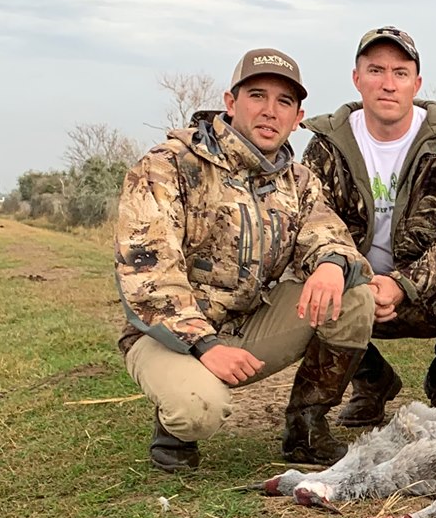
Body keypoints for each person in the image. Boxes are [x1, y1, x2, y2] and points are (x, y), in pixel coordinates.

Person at [114, 48, 369, 473]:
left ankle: (306, 428)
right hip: (169, 336)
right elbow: (149, 273)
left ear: (298, 116)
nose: (270, 111)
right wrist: (204, 344)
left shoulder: (299, 180)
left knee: (352, 294)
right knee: (198, 410)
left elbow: (328, 234)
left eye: (284, 101)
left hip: (248, 329)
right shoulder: (166, 166)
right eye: (257, 95)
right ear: (231, 103)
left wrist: (330, 264)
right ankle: (175, 429)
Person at [281, 26, 436, 462]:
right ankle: (363, 384)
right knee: (297, 291)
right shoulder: (328, 146)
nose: (387, 82)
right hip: (353, 284)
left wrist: (403, 283)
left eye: (400, 72)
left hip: (422, 290)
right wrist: (358, 277)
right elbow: (309, 222)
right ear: (356, 78)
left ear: (416, 84)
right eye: (375, 70)